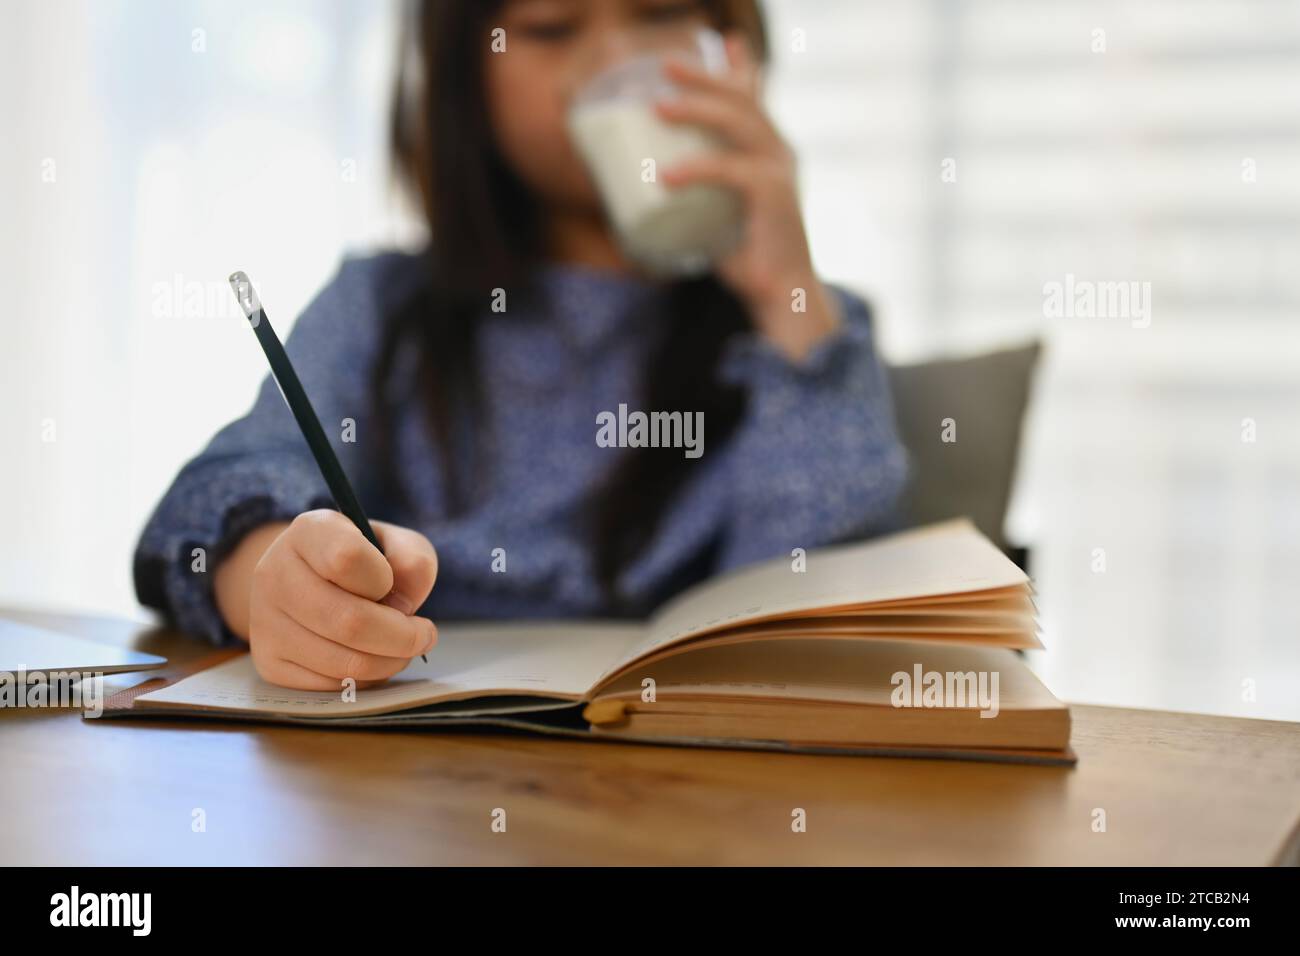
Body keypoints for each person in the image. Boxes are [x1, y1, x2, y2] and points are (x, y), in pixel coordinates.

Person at [133, 0, 910, 690]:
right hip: (401, 772)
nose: (613, 64)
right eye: (551, 27)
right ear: (467, 74)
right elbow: (208, 505)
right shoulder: (382, 309)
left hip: (677, 783)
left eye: (661, 12)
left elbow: (816, 610)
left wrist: (785, 295)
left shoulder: (801, 335)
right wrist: (276, 580)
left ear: (732, 48)